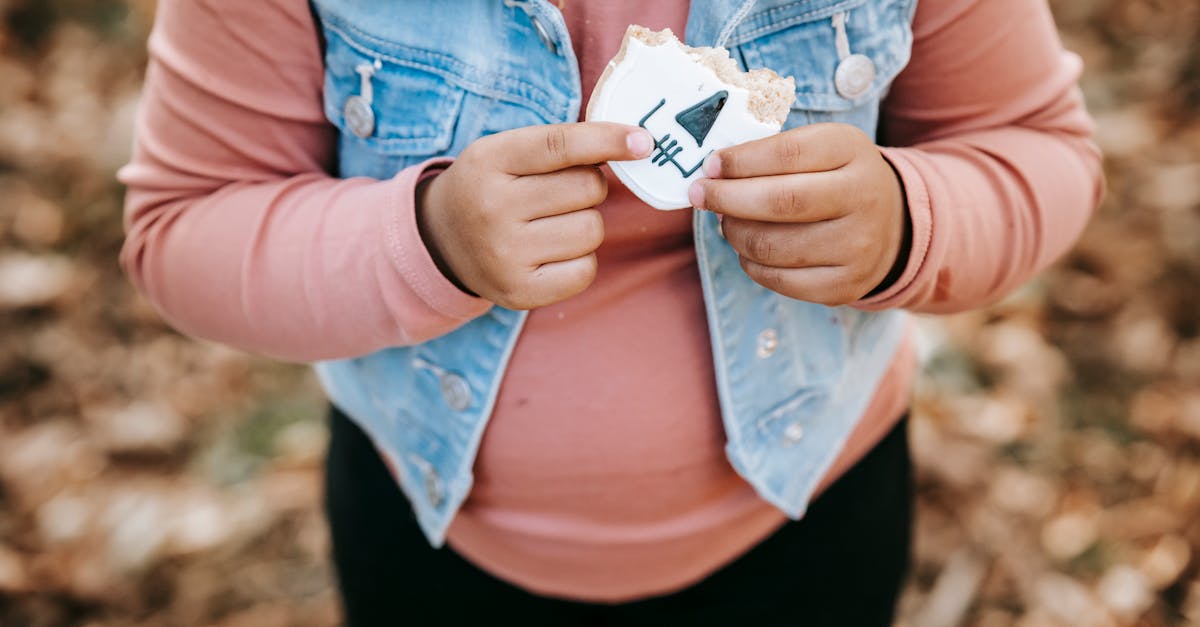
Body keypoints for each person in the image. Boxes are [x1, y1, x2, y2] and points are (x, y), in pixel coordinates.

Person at [119, 0, 1103, 625]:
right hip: (431, 537)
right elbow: (182, 225)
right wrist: (425, 237)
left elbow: (1038, 148)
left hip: (810, 520)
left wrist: (907, 220)